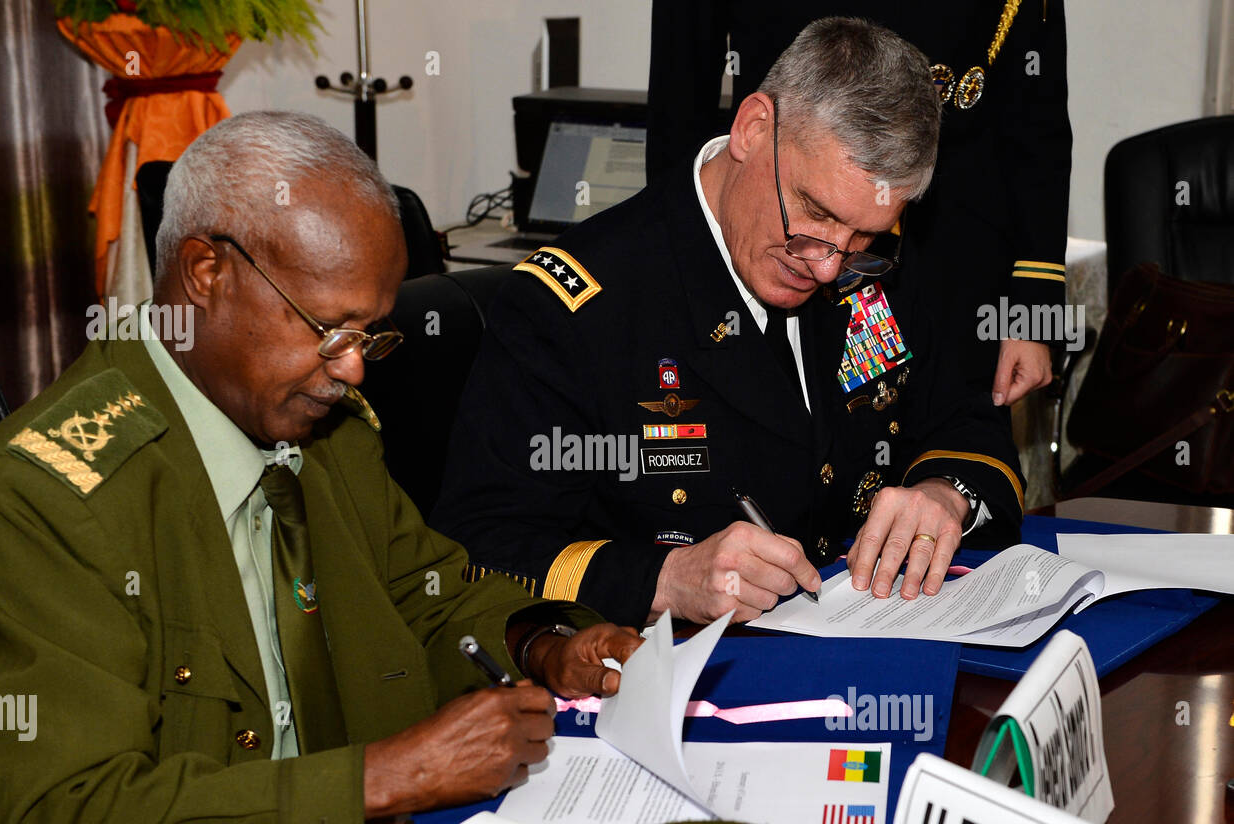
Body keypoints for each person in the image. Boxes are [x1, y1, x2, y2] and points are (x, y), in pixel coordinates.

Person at [0, 111, 640, 824]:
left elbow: (425, 596)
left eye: (369, 336)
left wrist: (545, 641)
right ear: (205, 273)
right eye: (327, 329)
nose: (350, 370)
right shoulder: (47, 499)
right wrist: (383, 775)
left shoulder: (322, 430)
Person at [431, 18, 1026, 629]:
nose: (827, 268)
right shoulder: (578, 305)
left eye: (861, 239)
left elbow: (967, 417)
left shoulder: (877, 261)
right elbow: (476, 550)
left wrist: (944, 494)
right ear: (752, 128)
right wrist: (662, 579)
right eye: (812, 215)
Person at [644, 0, 1074, 407]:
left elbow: (1037, 124)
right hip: (777, 233)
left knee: (953, 444)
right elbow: (680, 92)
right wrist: (677, 266)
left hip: (951, 257)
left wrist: (1032, 313)